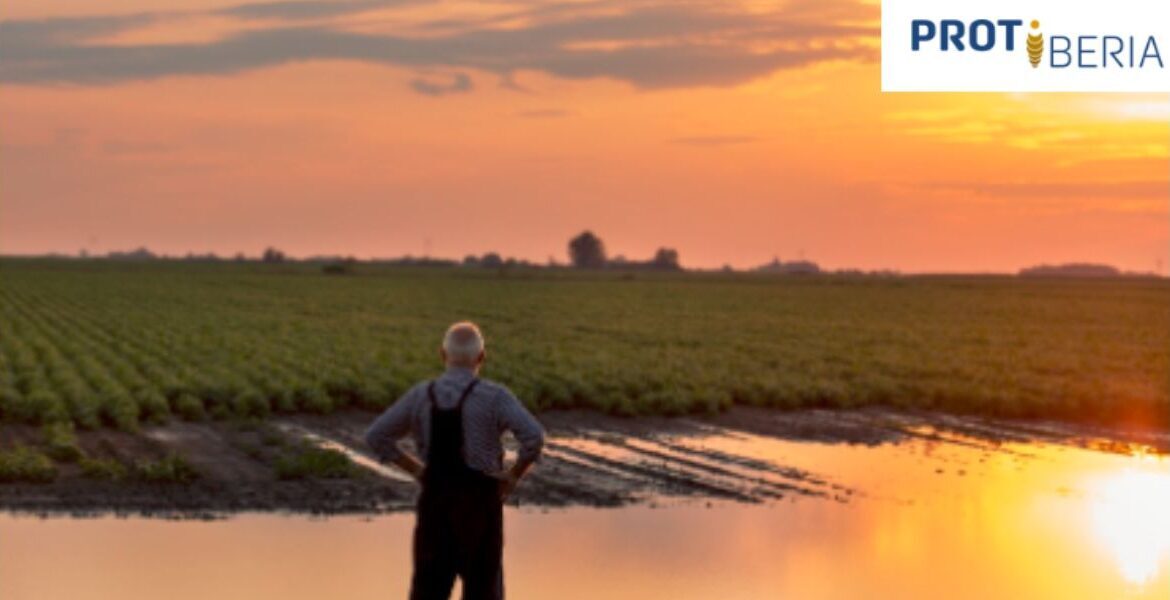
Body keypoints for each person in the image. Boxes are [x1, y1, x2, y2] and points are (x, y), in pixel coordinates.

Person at [365, 321, 545, 600]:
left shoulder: (421, 395)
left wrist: (417, 470)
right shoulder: (495, 396)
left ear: (442, 354)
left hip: (435, 506)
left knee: (428, 592)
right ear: (481, 357)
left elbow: (377, 436)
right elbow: (533, 437)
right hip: (480, 508)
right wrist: (512, 477)